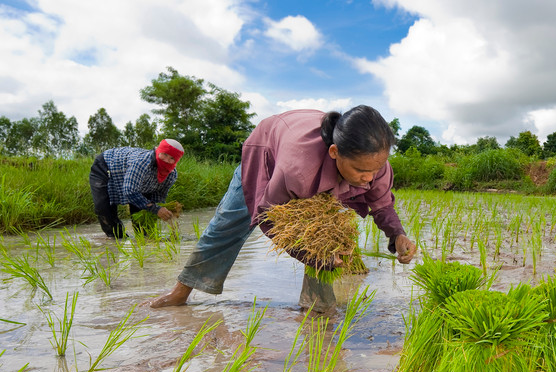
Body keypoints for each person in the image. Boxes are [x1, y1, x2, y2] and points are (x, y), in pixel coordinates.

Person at [149, 105, 417, 308]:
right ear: (335, 152)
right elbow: (268, 217)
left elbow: (380, 202)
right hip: (266, 155)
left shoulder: (373, 165)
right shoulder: (296, 169)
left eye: (375, 169)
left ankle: (318, 305)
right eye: (361, 170)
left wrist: (397, 234)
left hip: (316, 166)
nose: (369, 178)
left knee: (326, 233)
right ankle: (181, 292)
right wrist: (308, 255)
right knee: (228, 223)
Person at [89, 139, 185, 239]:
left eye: (171, 158)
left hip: (137, 182)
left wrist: (159, 209)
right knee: (104, 208)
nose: (166, 160)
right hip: (106, 166)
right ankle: (115, 239)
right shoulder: (142, 163)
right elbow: (130, 191)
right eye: (164, 154)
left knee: (144, 229)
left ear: (176, 161)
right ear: (158, 151)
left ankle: (144, 240)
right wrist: (156, 209)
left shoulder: (171, 175)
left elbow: (158, 196)